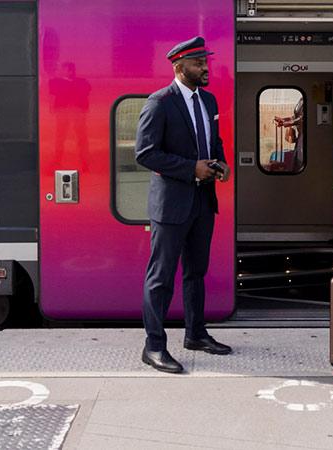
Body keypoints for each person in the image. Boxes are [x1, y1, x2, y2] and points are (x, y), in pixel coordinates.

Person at [135, 36, 232, 374]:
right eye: (198, 63)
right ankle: (154, 346)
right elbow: (145, 153)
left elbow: (213, 142)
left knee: (196, 273)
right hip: (171, 206)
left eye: (206, 61)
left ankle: (195, 334)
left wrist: (221, 164)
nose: (206, 67)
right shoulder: (159, 103)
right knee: (161, 277)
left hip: (203, 202)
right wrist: (191, 168)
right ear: (179, 67)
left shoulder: (208, 100)